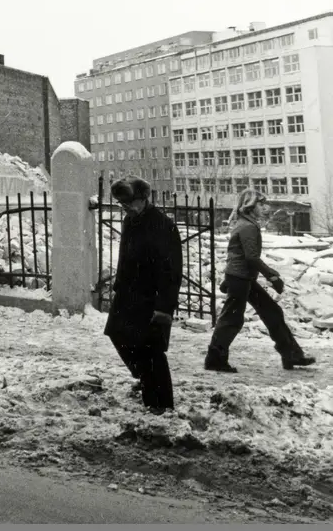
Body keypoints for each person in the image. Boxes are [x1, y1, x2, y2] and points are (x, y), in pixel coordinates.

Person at [205, 189, 316, 373]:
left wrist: (229, 277)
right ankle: (214, 359)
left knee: (272, 311)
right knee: (232, 319)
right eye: (261, 203)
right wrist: (272, 276)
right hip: (241, 279)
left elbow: (235, 253)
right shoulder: (247, 227)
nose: (265, 207)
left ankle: (291, 354)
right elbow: (251, 258)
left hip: (242, 278)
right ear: (250, 206)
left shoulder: (246, 224)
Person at [104, 177, 183, 414]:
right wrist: (119, 285)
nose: (125, 207)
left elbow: (172, 270)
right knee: (117, 334)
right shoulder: (131, 220)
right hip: (128, 294)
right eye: (121, 203)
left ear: (143, 199)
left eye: (129, 202)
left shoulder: (162, 225)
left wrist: (164, 307)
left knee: (151, 351)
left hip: (152, 298)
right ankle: (143, 377)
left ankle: (161, 405)